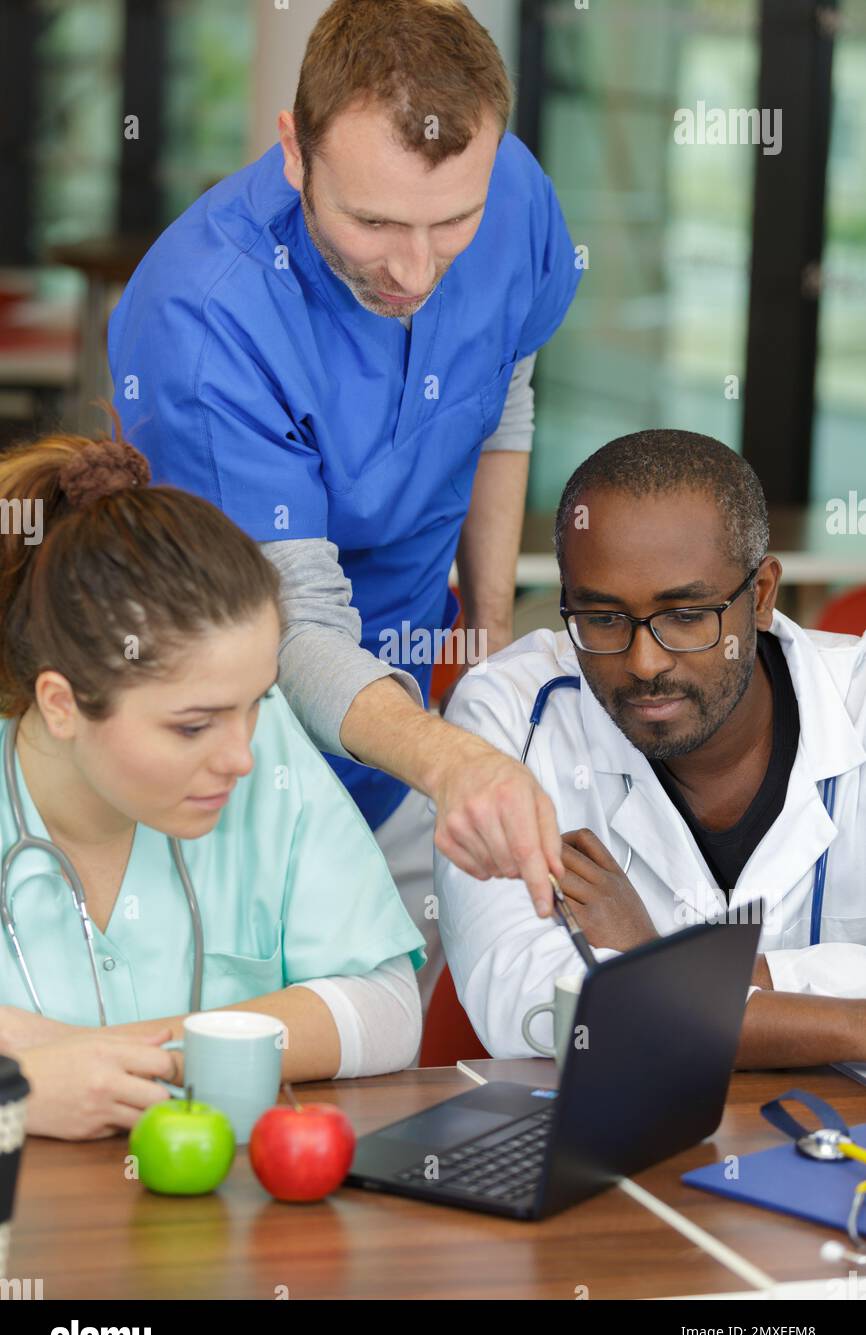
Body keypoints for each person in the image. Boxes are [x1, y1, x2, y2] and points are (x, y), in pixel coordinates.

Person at [107, 0, 582, 1006]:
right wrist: (451, 759)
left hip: (408, 726)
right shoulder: (204, 322)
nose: (414, 269)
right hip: (231, 763)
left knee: (394, 1058)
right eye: (371, 222)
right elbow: (292, 633)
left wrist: (485, 637)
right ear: (293, 150)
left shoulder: (508, 190)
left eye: (450, 223)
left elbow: (503, 387)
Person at [0, 420, 426, 1141]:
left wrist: (102, 1056)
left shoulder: (268, 754)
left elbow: (385, 1010)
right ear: (61, 704)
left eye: (257, 701)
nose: (244, 758)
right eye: (193, 726)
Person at [435, 429, 866, 1066]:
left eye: (685, 615)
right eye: (603, 618)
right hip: (618, 1146)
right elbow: (534, 1005)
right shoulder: (505, 715)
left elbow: (617, 1002)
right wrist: (852, 1027)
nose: (644, 662)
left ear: (763, 595)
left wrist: (652, 961)